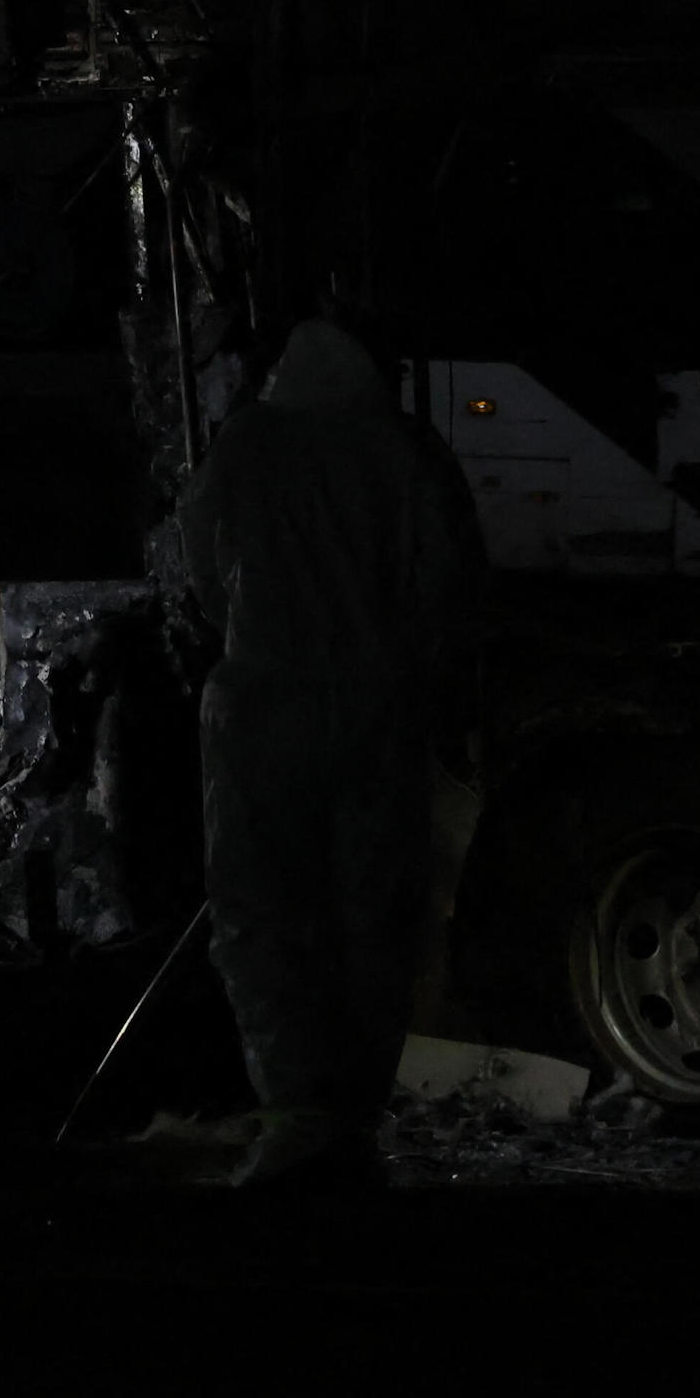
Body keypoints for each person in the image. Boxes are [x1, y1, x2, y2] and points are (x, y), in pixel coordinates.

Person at [177, 317, 479, 1188]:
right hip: (374, 711)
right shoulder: (404, 449)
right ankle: (352, 1113)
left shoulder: (245, 444)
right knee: (371, 916)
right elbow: (446, 583)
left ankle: (292, 1110)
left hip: (260, 705)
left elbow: (202, 566)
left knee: (260, 915)